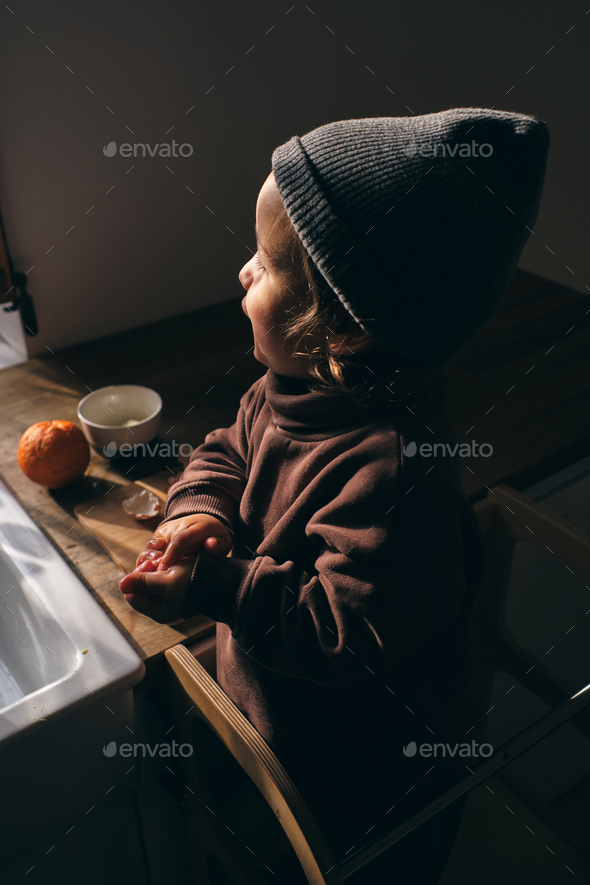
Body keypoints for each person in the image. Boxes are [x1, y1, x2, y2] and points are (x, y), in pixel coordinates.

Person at [119, 109, 550, 882]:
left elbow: (338, 629)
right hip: (292, 725)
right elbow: (227, 447)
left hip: (372, 778)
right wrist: (199, 509)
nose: (244, 272)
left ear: (340, 332)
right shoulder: (287, 388)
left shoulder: (394, 474)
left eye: (267, 262)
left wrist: (217, 584)